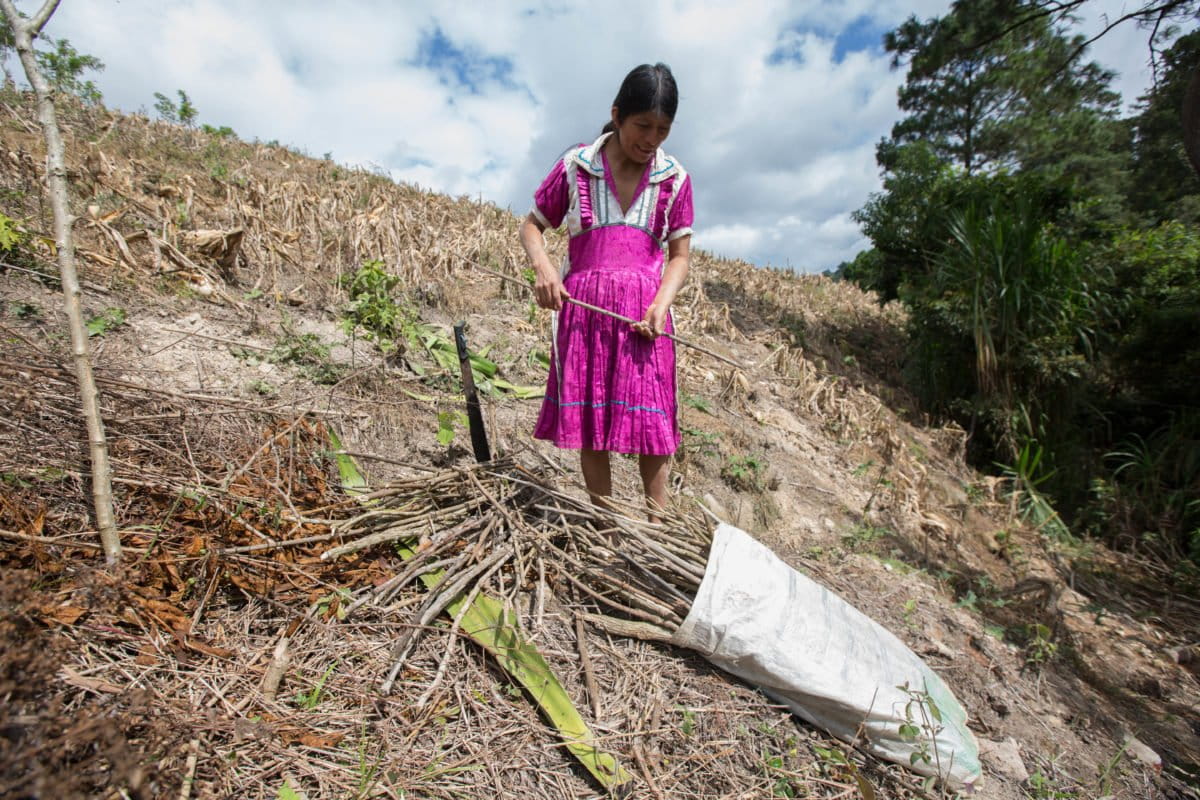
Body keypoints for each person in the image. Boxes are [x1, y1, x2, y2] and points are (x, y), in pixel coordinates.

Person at [518, 62, 694, 519]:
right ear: (617, 115)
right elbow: (533, 227)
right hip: (585, 310)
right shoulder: (577, 166)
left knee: (651, 420)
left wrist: (661, 304)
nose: (651, 139)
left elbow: (680, 256)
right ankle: (606, 526)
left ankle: (660, 526)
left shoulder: (674, 178)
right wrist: (544, 271)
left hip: (645, 318)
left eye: (662, 129)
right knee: (592, 421)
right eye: (642, 125)